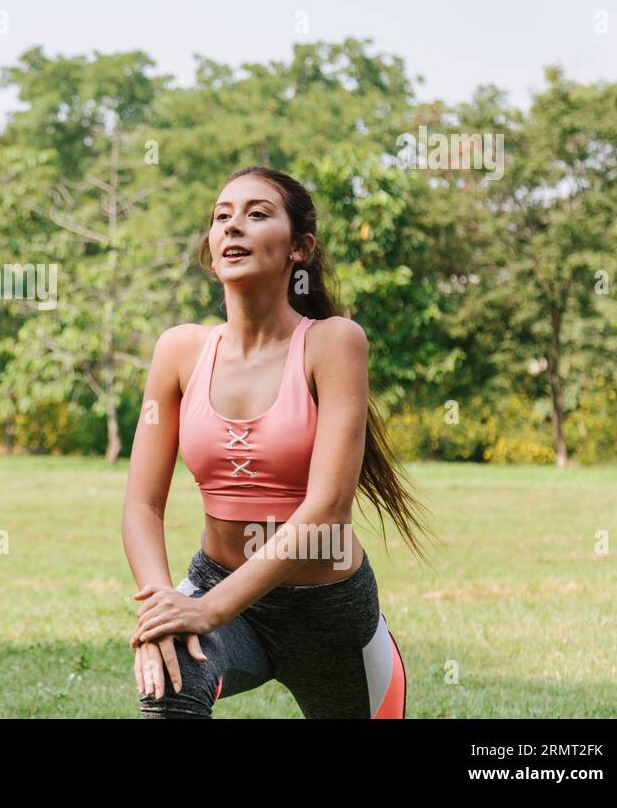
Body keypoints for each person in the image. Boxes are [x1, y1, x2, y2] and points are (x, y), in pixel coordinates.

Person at [122, 165, 438, 718]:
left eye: (257, 214)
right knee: (170, 688)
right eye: (222, 217)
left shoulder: (334, 344)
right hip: (215, 583)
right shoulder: (178, 351)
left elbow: (327, 509)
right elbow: (142, 506)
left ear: (300, 248)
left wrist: (208, 610)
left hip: (328, 613)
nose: (232, 227)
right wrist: (162, 610)